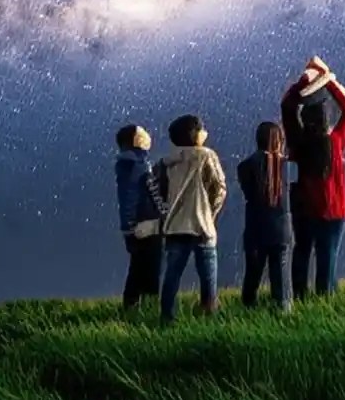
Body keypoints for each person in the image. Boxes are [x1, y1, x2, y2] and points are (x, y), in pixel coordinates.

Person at [281, 56, 345, 296]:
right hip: (335, 209)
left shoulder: (298, 143)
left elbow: (287, 106)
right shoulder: (335, 142)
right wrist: (328, 78)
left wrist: (303, 83)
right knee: (328, 255)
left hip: (305, 208)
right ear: (326, 120)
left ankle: (299, 295)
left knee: (302, 251)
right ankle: (326, 297)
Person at [159, 115, 228, 322]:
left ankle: (167, 316)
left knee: (172, 274)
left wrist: (166, 211)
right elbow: (219, 188)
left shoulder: (166, 162)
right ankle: (209, 311)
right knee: (208, 275)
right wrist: (210, 212)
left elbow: (159, 191)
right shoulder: (206, 155)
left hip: (174, 226)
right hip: (201, 225)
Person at [237, 121, 292, 311]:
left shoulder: (245, 166)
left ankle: (248, 309)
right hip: (282, 226)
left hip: (256, 225)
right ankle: (283, 309)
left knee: (253, 272)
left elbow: (248, 193)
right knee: (281, 272)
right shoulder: (288, 166)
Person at [114, 124, 166, 309]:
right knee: (151, 268)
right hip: (147, 224)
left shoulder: (124, 165)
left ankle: (130, 306)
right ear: (136, 140)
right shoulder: (141, 164)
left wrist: (127, 226)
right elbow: (154, 193)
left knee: (136, 268)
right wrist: (165, 215)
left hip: (131, 226)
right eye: (143, 133)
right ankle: (149, 308)